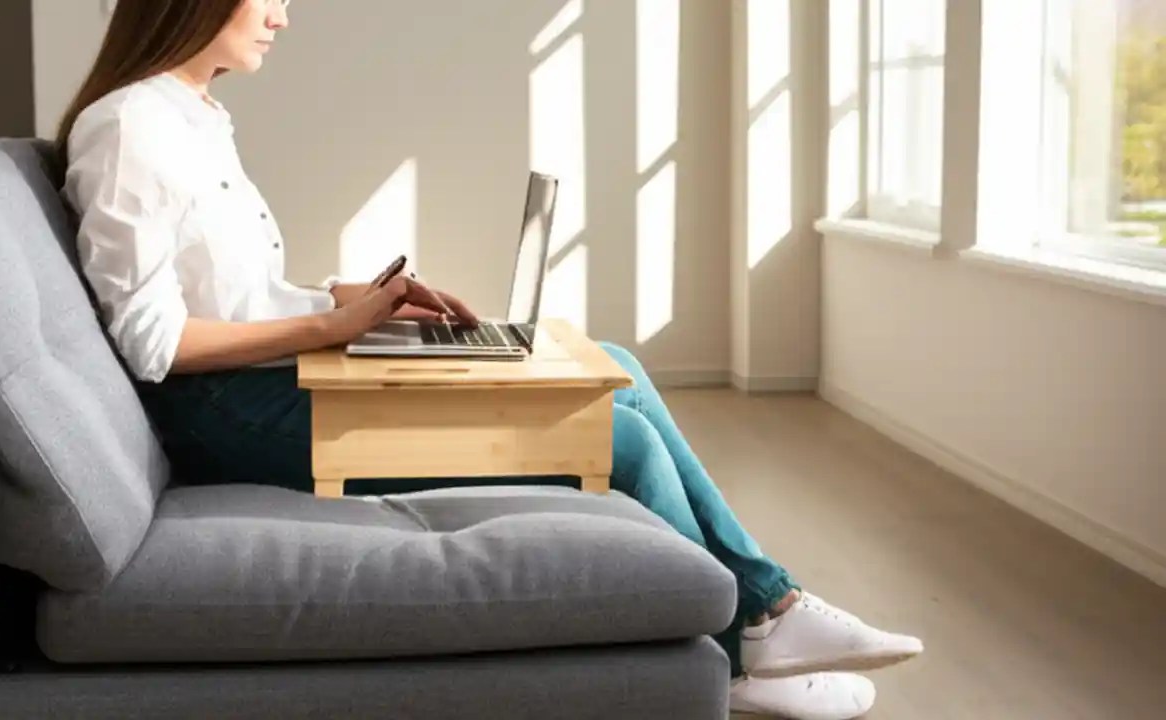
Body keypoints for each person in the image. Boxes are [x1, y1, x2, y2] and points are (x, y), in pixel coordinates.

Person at [56, 1, 924, 717]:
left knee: (612, 358)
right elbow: (154, 341)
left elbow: (227, 293)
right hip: (227, 416)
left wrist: (355, 299)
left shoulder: (196, 118)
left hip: (275, 379)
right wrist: (330, 331)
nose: (286, 14)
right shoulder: (129, 127)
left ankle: (771, 609)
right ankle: (742, 656)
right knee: (619, 442)